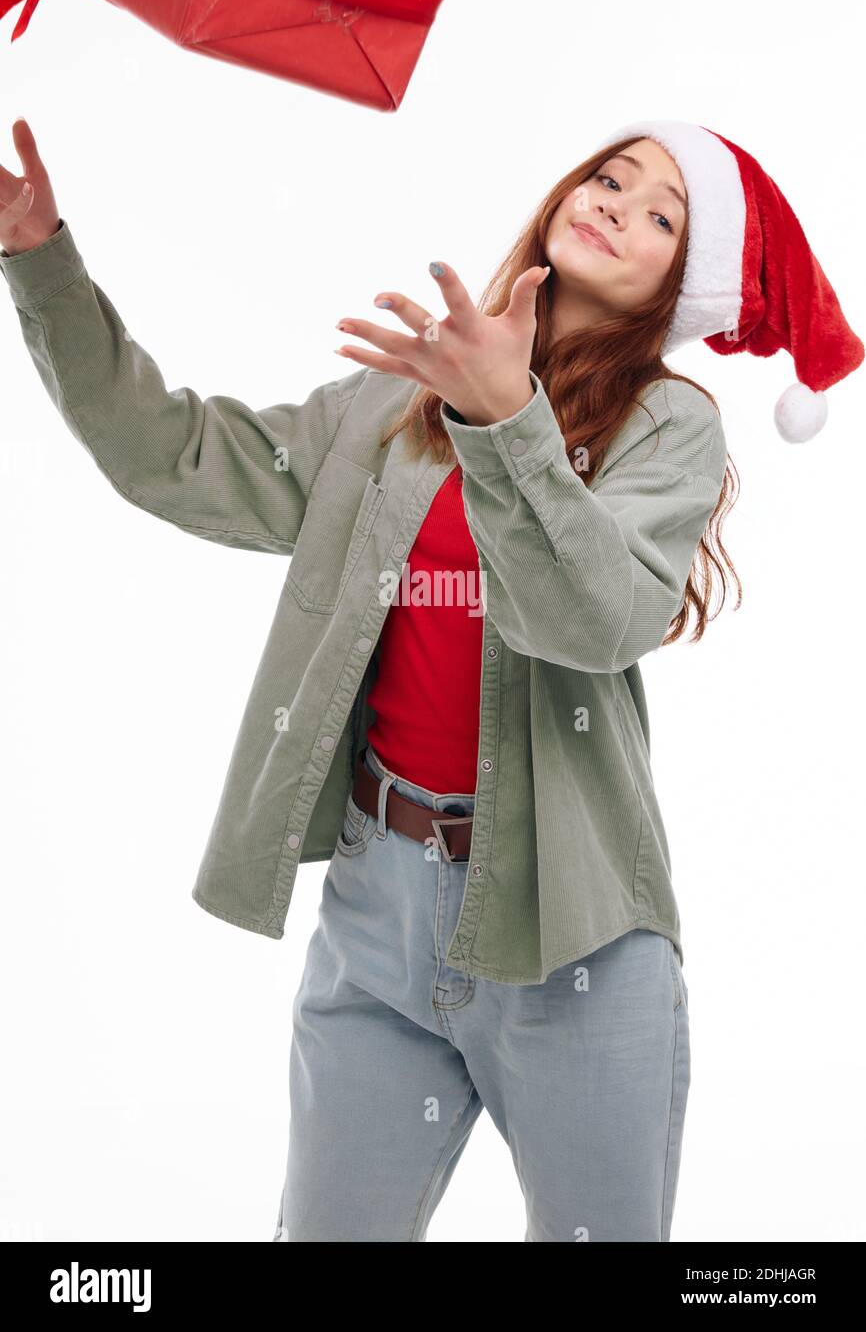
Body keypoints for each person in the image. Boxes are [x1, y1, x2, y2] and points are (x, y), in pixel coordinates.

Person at [1, 117, 861, 1242]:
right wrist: (41, 260)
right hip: (376, 909)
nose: (618, 204)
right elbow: (179, 455)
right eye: (609, 177)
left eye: (663, 214)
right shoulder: (392, 400)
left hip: (572, 940)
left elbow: (590, 618)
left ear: (677, 285)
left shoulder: (668, 429)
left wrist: (505, 419)